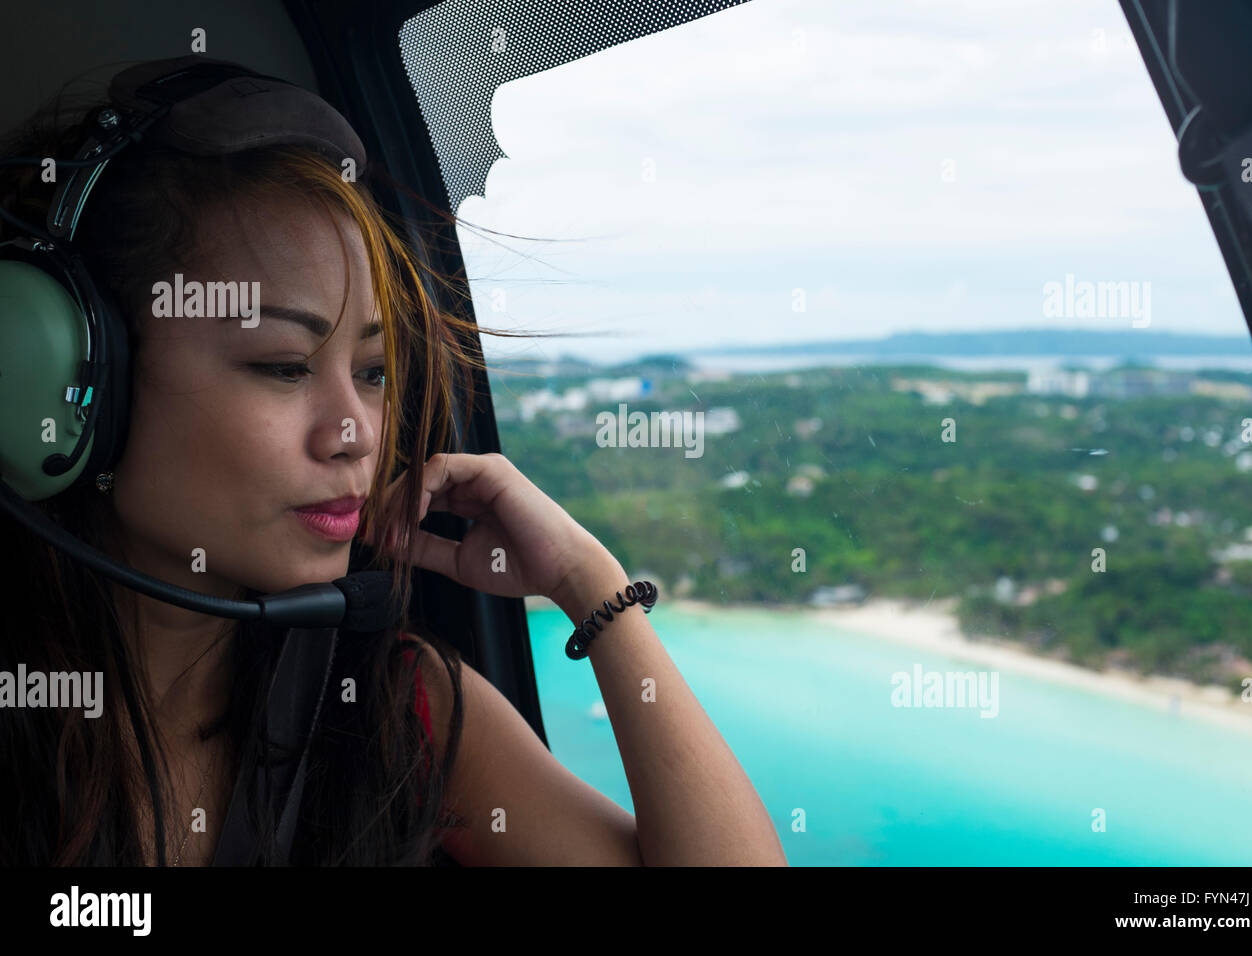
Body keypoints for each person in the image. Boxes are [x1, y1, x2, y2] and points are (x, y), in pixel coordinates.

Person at [0, 59, 787, 866]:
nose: (356, 432)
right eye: (284, 366)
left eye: (372, 373)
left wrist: (591, 581)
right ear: (74, 378)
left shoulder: (396, 706)